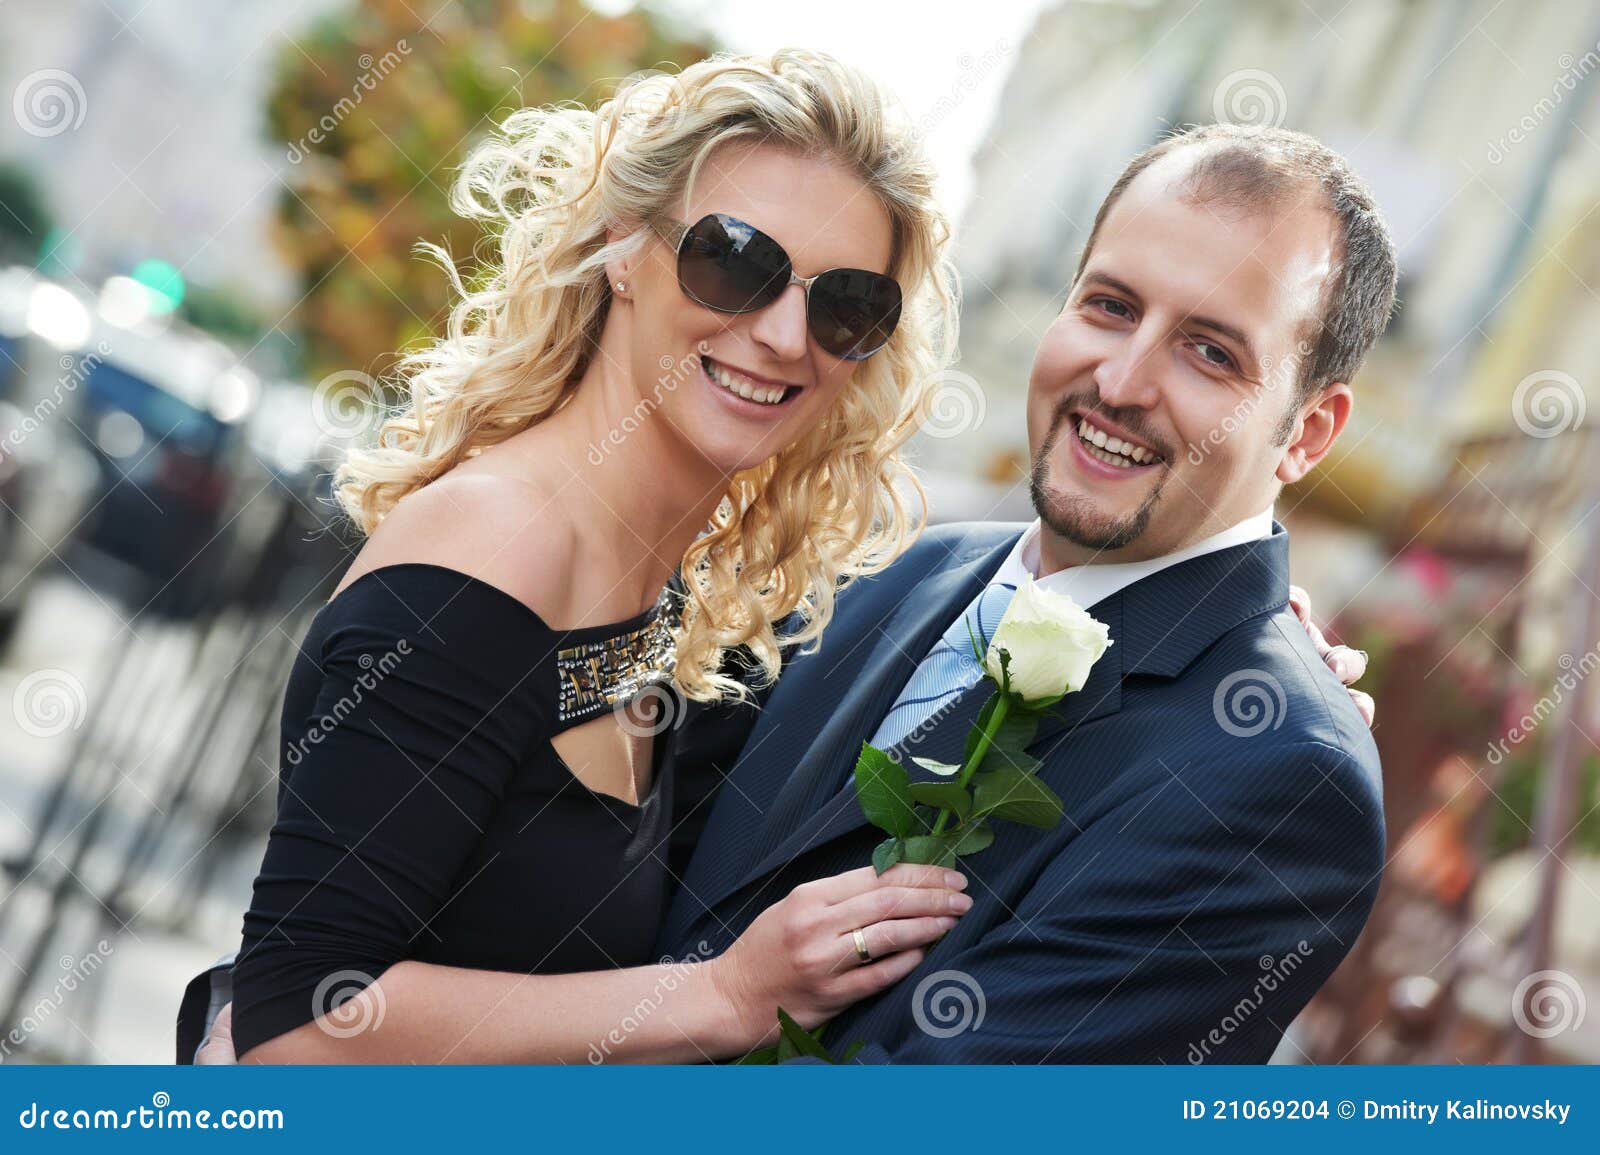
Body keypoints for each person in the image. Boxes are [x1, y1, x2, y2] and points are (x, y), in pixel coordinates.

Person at [183, 48, 975, 1064]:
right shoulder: (498, 547)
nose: (784, 334)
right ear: (622, 248)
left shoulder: (656, 586)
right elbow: (294, 1031)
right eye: (735, 260)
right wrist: (723, 997)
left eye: (846, 303)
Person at [652, 122, 1396, 1063]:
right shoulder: (901, 569)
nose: (1121, 382)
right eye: (1111, 306)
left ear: (1308, 432)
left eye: (1210, 353)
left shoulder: (1280, 777)